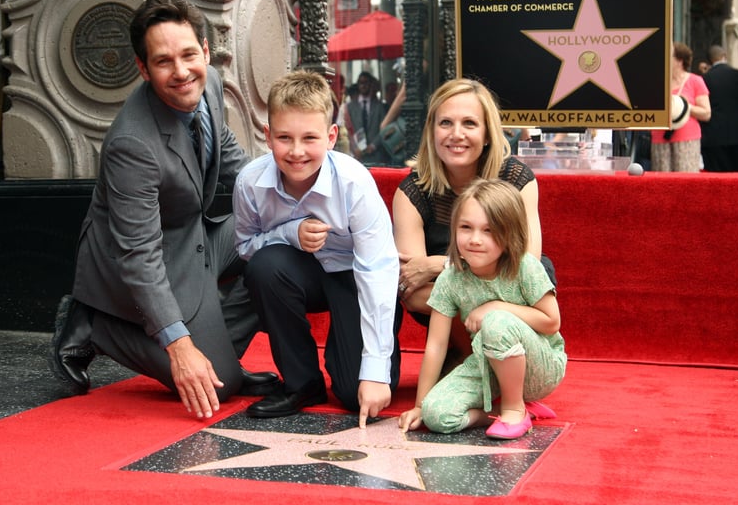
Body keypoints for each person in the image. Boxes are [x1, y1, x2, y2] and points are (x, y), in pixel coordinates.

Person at [49, 0, 278, 420]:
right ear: (142, 68)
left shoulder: (206, 80)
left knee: (278, 237)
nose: (181, 72)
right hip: (139, 261)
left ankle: (216, 351)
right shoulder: (131, 144)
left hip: (194, 235)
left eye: (189, 54)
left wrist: (283, 200)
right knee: (220, 384)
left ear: (206, 52)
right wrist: (180, 347)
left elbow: (225, 151)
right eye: (162, 62)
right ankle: (93, 324)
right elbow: (138, 255)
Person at [233, 70, 401, 428]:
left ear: (331, 136)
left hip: (355, 278)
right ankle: (301, 383)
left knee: (352, 391)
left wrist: (375, 371)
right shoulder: (249, 182)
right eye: (284, 137)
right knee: (265, 266)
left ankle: (366, 355)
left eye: (309, 138)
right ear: (267, 136)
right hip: (299, 273)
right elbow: (246, 247)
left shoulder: (354, 182)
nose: (296, 151)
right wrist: (291, 233)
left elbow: (378, 272)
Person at [393, 78, 555, 368]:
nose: (457, 134)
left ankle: (501, 359)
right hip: (452, 309)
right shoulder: (412, 191)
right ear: (431, 131)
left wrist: (437, 264)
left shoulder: (517, 180)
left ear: (488, 133)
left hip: (508, 292)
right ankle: (467, 357)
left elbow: (526, 262)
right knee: (418, 295)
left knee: (538, 271)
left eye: (469, 123)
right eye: (445, 123)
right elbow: (410, 288)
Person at [398, 179, 565, 439]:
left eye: (489, 230)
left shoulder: (525, 267)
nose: (475, 239)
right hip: (486, 364)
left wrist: (495, 307)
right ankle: (502, 409)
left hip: (539, 367)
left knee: (496, 321)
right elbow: (436, 345)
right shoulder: (450, 278)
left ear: (510, 234)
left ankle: (514, 409)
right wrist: (420, 405)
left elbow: (551, 322)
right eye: (466, 227)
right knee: (436, 414)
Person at [650, 42, 711, 172]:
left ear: (679, 61)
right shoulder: (658, 81)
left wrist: (683, 107)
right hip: (660, 137)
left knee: (686, 180)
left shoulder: (694, 81)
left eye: (668, 57)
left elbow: (706, 113)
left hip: (687, 138)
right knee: (662, 181)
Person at [700, 45, 738, 172]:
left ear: (709, 60)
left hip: (713, 137)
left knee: (717, 181)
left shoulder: (705, 78)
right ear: (725, 56)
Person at [346, 71, 387, 159]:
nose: (363, 85)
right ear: (358, 84)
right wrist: (354, 148)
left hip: (376, 155)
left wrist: (373, 146)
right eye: (361, 83)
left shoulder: (379, 106)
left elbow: (384, 128)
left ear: (370, 84)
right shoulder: (350, 107)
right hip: (357, 155)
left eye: (366, 82)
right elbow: (348, 129)